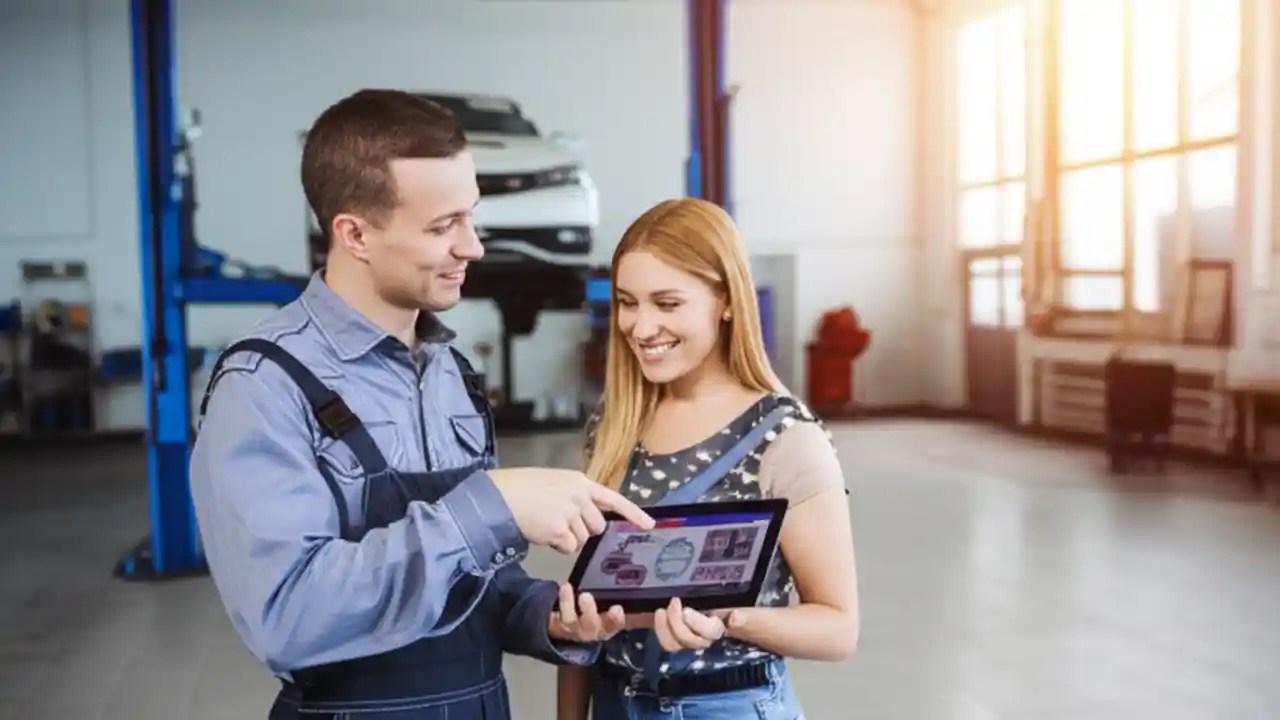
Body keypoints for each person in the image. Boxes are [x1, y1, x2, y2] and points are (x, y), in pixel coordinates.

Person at [189, 89, 653, 720]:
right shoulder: (264, 385)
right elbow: (287, 615)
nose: (474, 247)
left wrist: (547, 615)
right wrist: (491, 507)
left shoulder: (451, 375)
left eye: (471, 216)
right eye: (443, 227)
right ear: (354, 233)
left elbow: (478, 584)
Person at [556, 198, 860, 720]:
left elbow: (838, 629)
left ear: (725, 300)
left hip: (726, 706)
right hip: (614, 701)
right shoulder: (613, 426)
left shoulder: (785, 438)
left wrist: (728, 620)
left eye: (667, 304)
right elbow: (588, 600)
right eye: (628, 302)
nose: (641, 327)